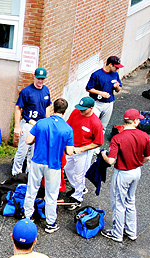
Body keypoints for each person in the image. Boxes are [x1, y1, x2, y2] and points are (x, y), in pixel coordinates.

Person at [23, 98, 75, 234]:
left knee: (31, 190)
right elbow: (69, 151)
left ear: (53, 108)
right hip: (54, 165)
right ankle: (50, 223)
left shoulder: (41, 123)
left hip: (37, 161)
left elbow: (28, 140)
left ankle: (27, 217)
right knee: (51, 195)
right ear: (65, 111)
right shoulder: (68, 129)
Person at [100, 108, 150, 242]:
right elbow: (147, 157)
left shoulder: (117, 138)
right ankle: (131, 231)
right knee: (130, 201)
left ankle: (117, 234)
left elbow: (111, 161)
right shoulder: (144, 135)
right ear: (133, 121)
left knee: (119, 203)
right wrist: (138, 161)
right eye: (138, 119)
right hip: (136, 171)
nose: (139, 121)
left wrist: (103, 154)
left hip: (122, 173)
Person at [63, 97, 104, 210]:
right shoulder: (76, 112)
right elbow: (68, 125)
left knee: (79, 175)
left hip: (83, 151)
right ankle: (77, 187)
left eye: (84, 109)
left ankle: (77, 198)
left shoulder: (96, 123)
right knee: (67, 168)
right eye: (80, 108)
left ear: (91, 108)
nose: (81, 111)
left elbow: (98, 142)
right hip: (71, 147)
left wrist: (81, 149)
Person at [12, 68, 52, 175]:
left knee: (34, 151)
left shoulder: (46, 90)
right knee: (22, 150)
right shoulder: (26, 91)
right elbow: (18, 108)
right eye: (38, 79)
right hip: (28, 124)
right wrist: (17, 126)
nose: (40, 81)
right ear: (34, 77)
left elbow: (47, 106)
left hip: (40, 125)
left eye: (42, 79)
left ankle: (29, 173)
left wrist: (48, 123)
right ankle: (16, 173)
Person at [86, 56, 123, 133]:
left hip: (109, 103)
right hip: (96, 103)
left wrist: (117, 87)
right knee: (92, 125)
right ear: (110, 64)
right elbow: (88, 88)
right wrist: (101, 93)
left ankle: (99, 143)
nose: (117, 69)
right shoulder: (97, 74)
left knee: (103, 127)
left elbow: (119, 89)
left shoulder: (115, 74)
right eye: (116, 67)